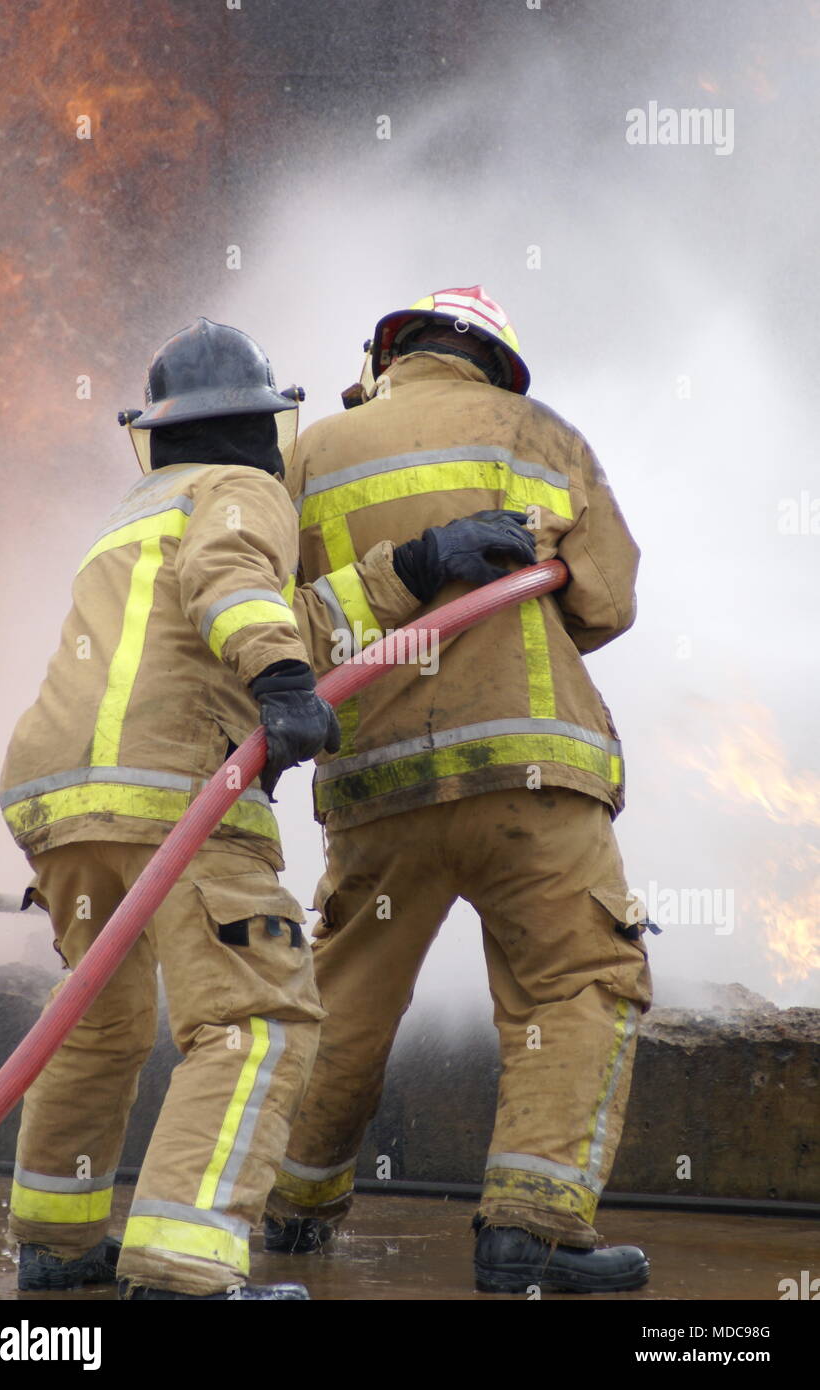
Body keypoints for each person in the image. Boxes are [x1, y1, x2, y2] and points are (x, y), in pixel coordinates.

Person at [0, 315, 536, 1300]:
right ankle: (186, 1265)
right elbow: (239, 588)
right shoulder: (239, 489)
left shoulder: (133, 517)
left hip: (62, 800)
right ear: (264, 424)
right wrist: (285, 683)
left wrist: (422, 564)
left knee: (98, 1021)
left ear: (156, 430)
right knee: (259, 1019)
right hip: (175, 791)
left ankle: (56, 1242)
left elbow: (280, 611)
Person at [263, 287, 656, 1294]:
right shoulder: (541, 435)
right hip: (532, 778)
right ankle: (529, 1231)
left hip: (378, 787)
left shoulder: (312, 452)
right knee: (574, 982)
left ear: (390, 353)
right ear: (495, 363)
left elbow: (281, 627)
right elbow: (606, 598)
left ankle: (293, 1211)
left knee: (344, 999)